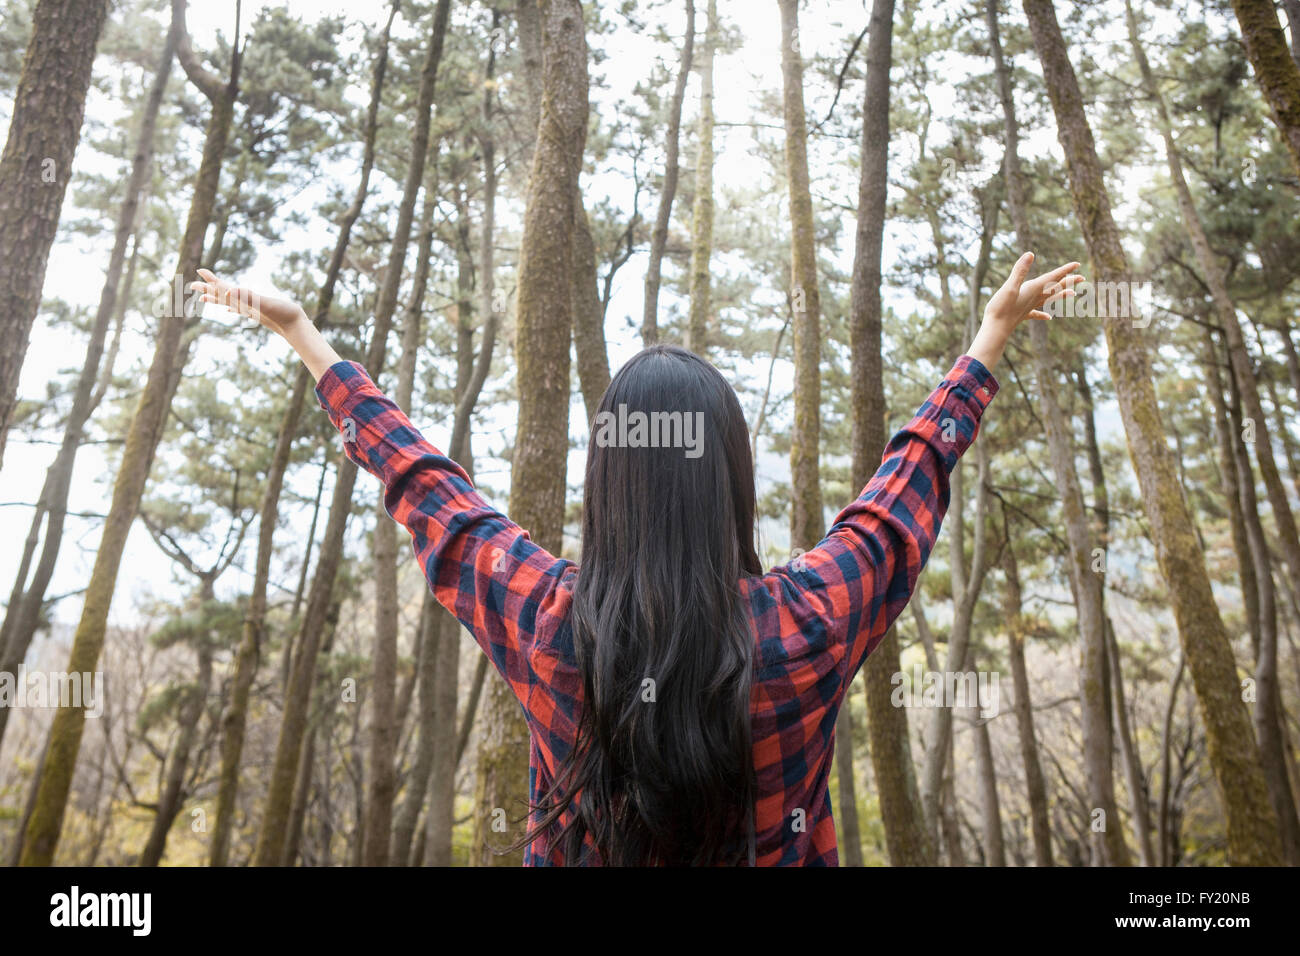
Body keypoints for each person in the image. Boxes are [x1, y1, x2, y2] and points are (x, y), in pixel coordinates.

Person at [192, 251, 1081, 866]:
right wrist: (986, 344)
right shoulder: (810, 622)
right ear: (730, 479)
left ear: (607, 487)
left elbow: (427, 489)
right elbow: (903, 494)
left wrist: (306, 336)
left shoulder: (548, 623)